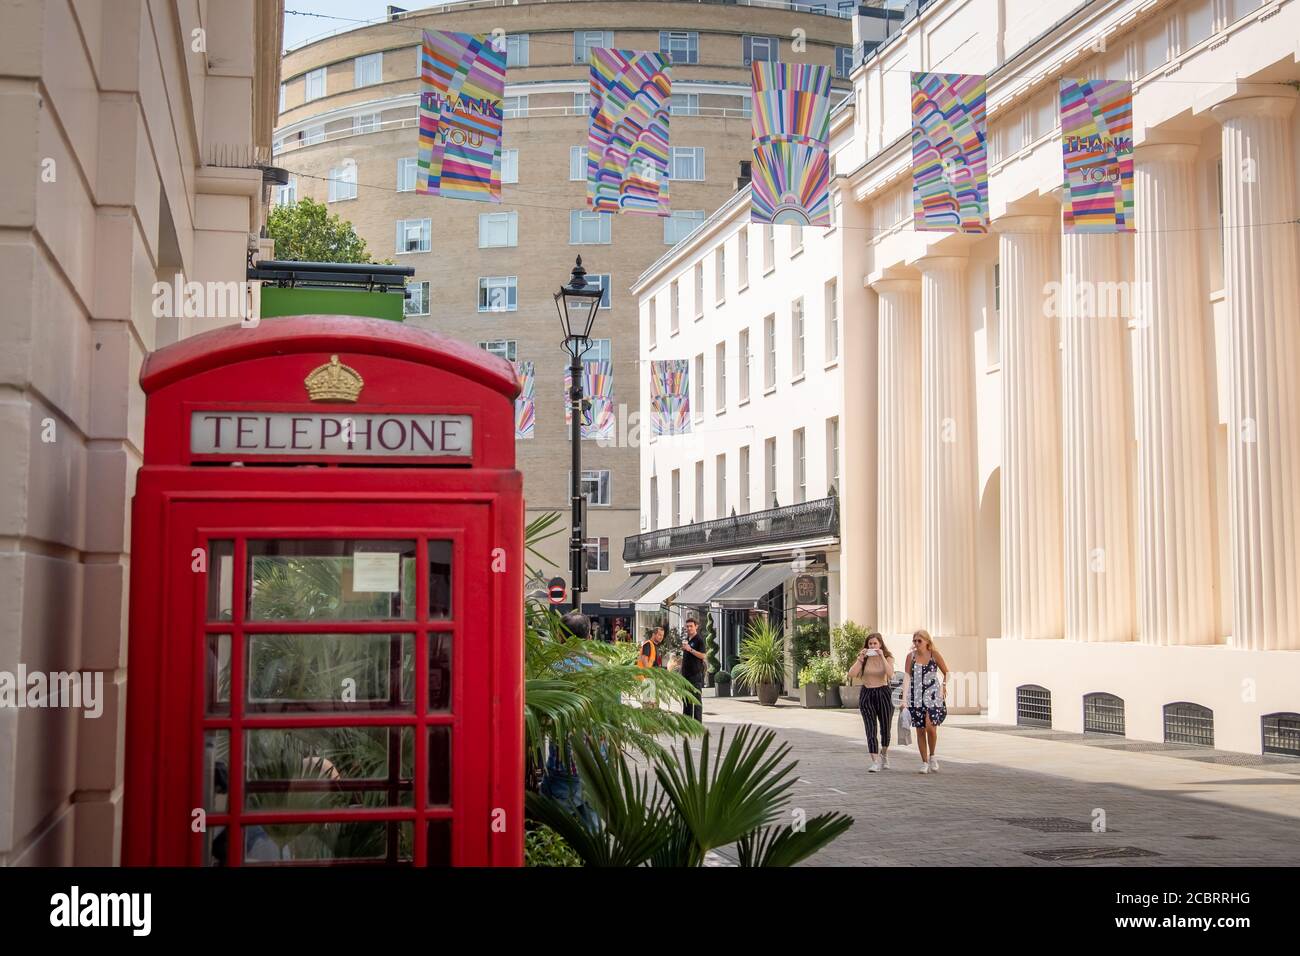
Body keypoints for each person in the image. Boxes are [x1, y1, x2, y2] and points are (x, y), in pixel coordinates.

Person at [540, 611, 599, 829]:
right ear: (589, 638)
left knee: (555, 836)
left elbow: (543, 718)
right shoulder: (604, 670)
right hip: (596, 767)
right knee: (594, 841)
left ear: (561, 637)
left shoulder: (554, 671)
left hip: (564, 767)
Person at [900, 629, 949, 774]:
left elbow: (947, 672)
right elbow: (907, 677)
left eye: (919, 641)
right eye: (914, 641)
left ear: (927, 641)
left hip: (933, 694)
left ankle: (932, 755)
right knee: (920, 729)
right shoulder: (911, 657)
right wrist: (904, 699)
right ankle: (924, 762)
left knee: (930, 726)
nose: (916, 643)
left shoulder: (934, 655)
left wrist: (944, 686)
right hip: (916, 695)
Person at [846, 631, 894, 772]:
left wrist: (881, 656)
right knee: (870, 728)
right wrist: (861, 658)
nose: (872, 646)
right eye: (870, 644)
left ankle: (884, 753)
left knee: (885, 728)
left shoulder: (887, 656)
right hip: (867, 693)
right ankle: (875, 761)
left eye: (875, 643)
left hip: (883, 693)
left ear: (880, 644)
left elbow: (890, 673)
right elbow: (851, 674)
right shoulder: (864, 658)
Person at [679, 617, 708, 721]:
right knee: (686, 700)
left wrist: (690, 649)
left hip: (695, 675)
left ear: (696, 626)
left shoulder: (699, 640)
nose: (689, 628)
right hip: (685, 675)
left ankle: (697, 723)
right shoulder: (687, 639)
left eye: (691, 626)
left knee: (696, 700)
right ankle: (687, 722)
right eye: (687, 626)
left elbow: (703, 656)